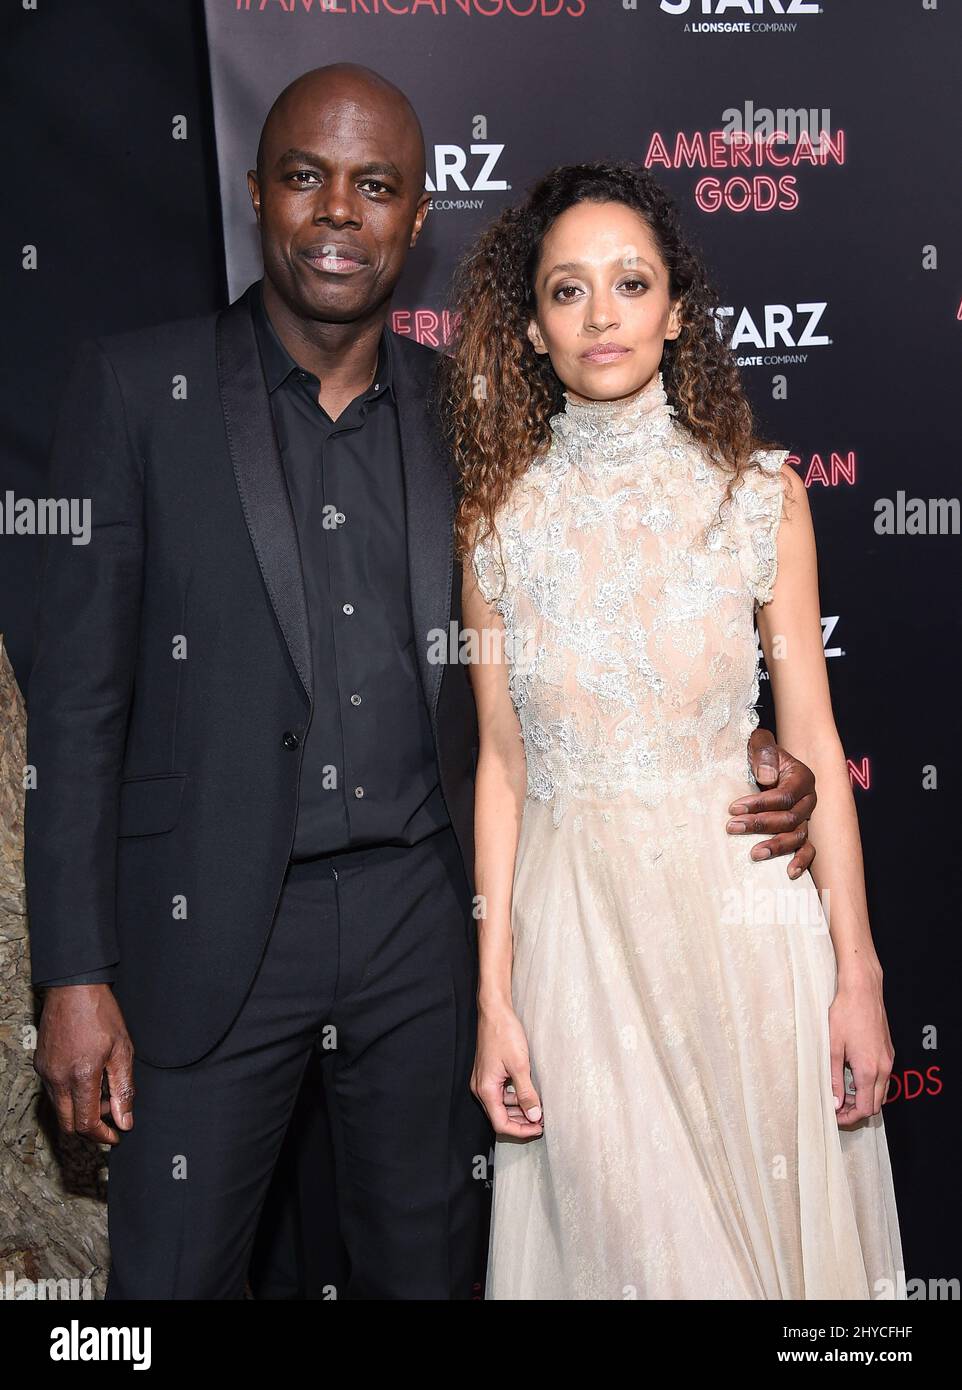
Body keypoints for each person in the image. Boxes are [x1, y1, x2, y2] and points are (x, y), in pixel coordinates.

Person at [25, 65, 819, 1300]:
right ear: (255, 193)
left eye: (374, 186)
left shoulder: (479, 425)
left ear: (413, 220)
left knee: (430, 1279)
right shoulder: (138, 393)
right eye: (306, 178)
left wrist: (749, 748)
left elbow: (601, 627)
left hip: (424, 937)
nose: (339, 211)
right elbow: (73, 714)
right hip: (207, 941)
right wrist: (71, 975)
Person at [439, 161, 905, 1299]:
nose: (601, 314)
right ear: (533, 331)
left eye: (630, 282)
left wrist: (857, 972)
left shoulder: (758, 495)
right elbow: (500, 771)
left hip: (745, 931)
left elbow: (813, 744)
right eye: (566, 291)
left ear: (675, 310)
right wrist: (495, 998)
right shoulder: (494, 523)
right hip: (578, 951)